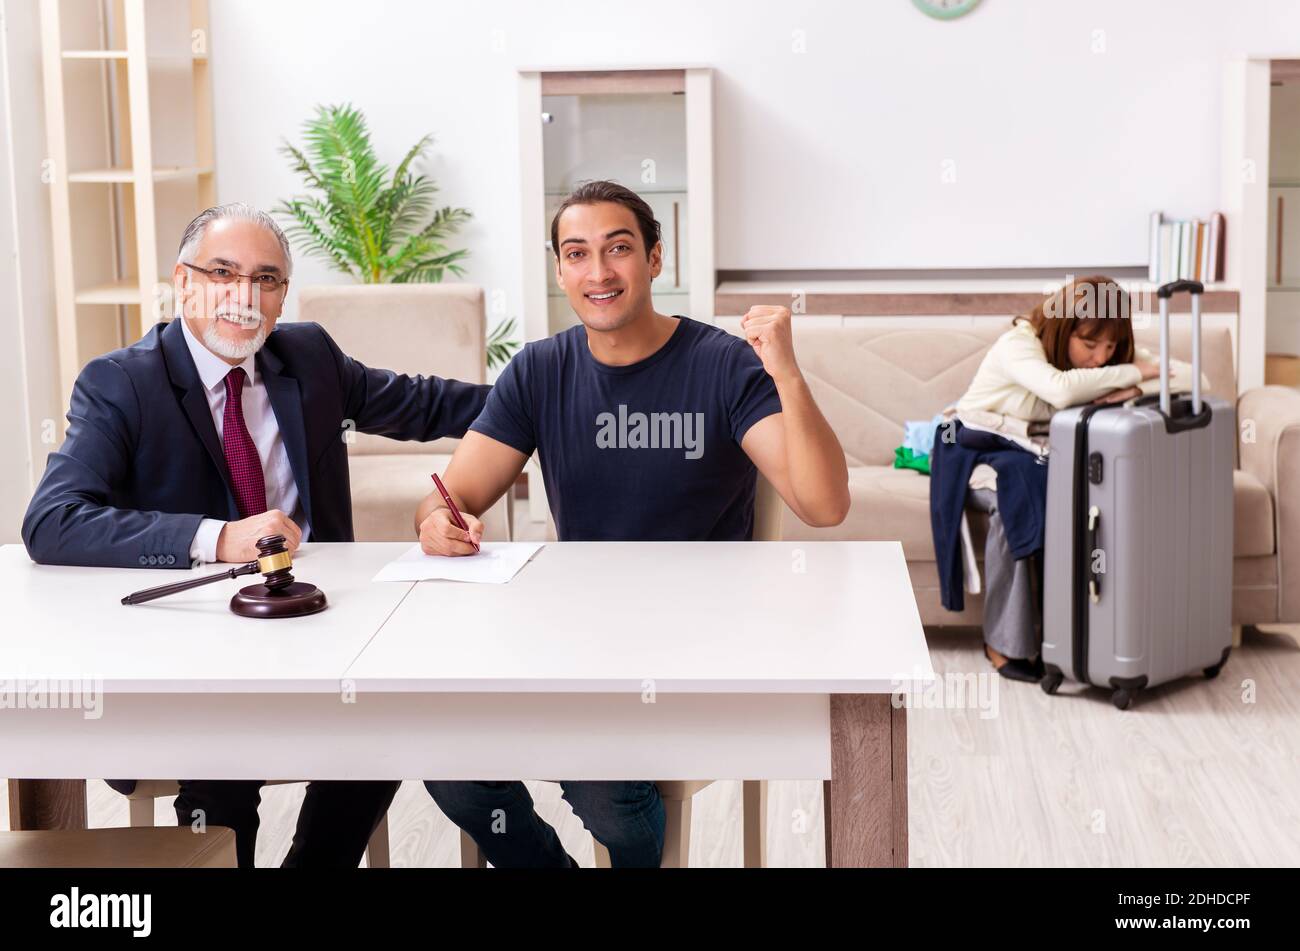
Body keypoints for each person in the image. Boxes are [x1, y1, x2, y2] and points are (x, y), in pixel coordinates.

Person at [22, 202, 490, 866]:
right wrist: (220, 537)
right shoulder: (122, 383)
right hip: (192, 656)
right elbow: (52, 519)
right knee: (221, 774)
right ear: (184, 283)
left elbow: (424, 403)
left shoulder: (309, 355)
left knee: (386, 724)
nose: (246, 296)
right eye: (223, 272)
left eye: (267, 279)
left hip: (319, 630)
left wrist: (548, 388)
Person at [415, 180, 850, 866]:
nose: (599, 272)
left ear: (654, 259)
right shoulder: (539, 369)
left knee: (602, 776)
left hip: (698, 641)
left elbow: (824, 504)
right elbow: (454, 493)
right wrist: (439, 520)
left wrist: (787, 373)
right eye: (578, 253)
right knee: (448, 759)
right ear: (560, 270)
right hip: (576, 638)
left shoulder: (723, 364)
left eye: (618, 249)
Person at [930, 275, 1201, 681]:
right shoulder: (1018, 344)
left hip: (1036, 451)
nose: (1099, 358)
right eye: (1089, 345)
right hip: (974, 446)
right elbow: (1057, 390)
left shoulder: (1107, 358)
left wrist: (1128, 382)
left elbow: (1194, 378)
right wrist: (1132, 373)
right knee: (1017, 502)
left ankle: (1082, 636)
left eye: (1110, 348)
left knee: (1077, 497)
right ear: (1062, 328)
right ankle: (1004, 644)